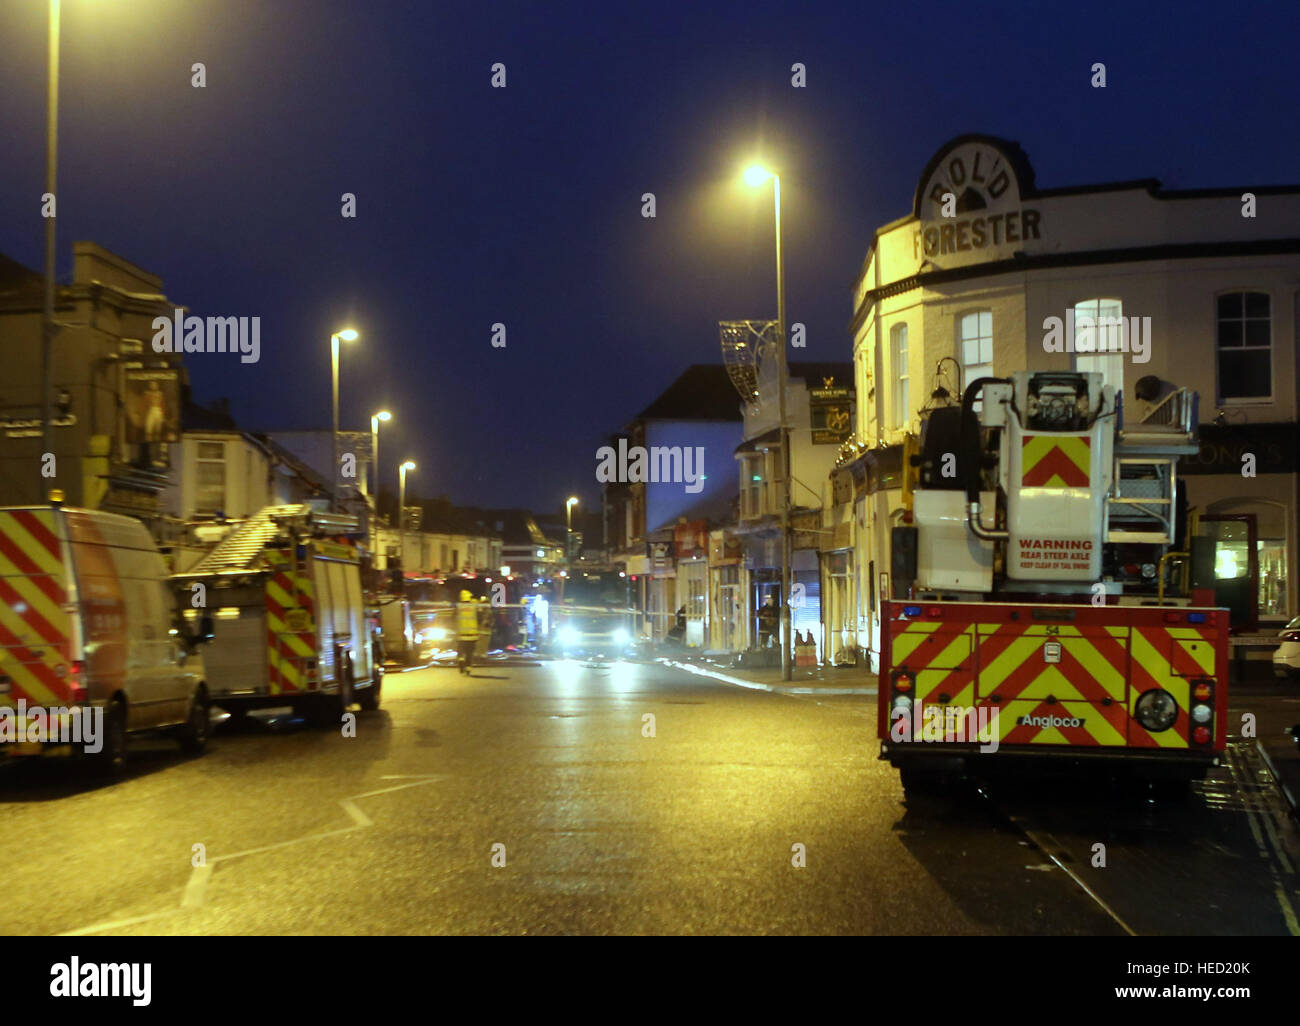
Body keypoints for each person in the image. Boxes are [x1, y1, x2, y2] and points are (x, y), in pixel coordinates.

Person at [455, 589, 479, 675]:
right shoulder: (474, 604)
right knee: (469, 653)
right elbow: (481, 605)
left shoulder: (458, 606)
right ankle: (468, 669)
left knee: (460, 651)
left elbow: (453, 618)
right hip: (473, 634)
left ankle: (461, 661)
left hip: (461, 635)